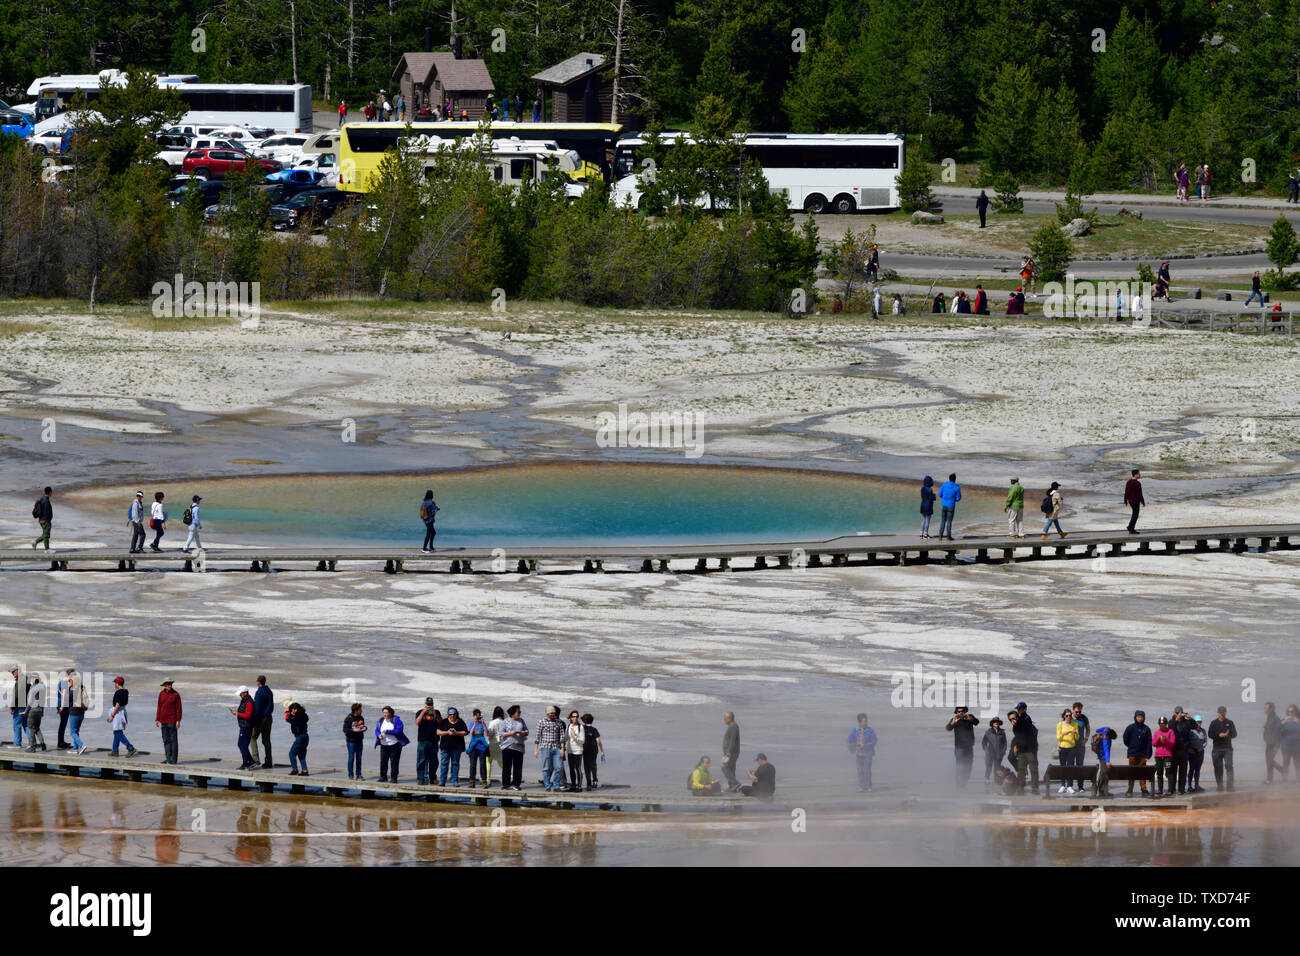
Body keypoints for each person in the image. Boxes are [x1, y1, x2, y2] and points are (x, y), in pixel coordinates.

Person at [945, 705, 980, 788]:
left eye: (962, 711)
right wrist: (953, 723)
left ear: (965, 711)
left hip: (969, 747)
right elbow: (948, 728)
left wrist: (969, 719)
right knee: (960, 766)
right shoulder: (954, 719)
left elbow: (977, 722)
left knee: (968, 767)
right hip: (959, 747)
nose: (961, 713)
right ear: (956, 712)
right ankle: (958, 785)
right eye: (959, 711)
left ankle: (964, 784)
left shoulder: (970, 717)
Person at [534, 705, 566, 791]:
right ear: (548, 713)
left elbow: (562, 737)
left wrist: (562, 749)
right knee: (546, 768)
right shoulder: (542, 722)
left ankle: (556, 785)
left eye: (554, 713)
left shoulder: (558, 722)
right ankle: (547, 786)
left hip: (557, 748)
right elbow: (537, 736)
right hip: (545, 748)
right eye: (551, 713)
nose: (553, 714)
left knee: (559, 767)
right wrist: (536, 750)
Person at [1122, 710, 1153, 797]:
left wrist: (1148, 754)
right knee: (1131, 772)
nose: (1140, 718)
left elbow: (1149, 742)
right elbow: (1125, 739)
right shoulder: (1130, 728)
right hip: (1132, 754)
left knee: (1142, 773)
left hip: (1143, 755)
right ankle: (1130, 789)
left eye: (1141, 717)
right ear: (1135, 717)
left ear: (1144, 718)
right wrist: (1131, 746)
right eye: (1138, 717)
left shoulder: (1146, 729)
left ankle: (1144, 789)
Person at [1009, 703, 1039, 793]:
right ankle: (1020, 787)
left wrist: (1017, 723)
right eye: (1018, 709)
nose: (1019, 711)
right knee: (1021, 770)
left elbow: (1025, 725)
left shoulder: (1025, 718)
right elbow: (1018, 737)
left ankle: (1035, 788)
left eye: (1020, 709)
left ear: (1025, 709)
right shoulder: (1017, 724)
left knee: (1033, 769)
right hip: (1021, 750)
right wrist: (1015, 746)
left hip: (1030, 750)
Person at [1207, 705, 1237, 791]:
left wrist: (1228, 734)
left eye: (1223, 712)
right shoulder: (1213, 723)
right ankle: (1220, 785)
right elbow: (1210, 734)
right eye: (1220, 712)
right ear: (1218, 713)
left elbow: (1235, 734)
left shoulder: (1230, 722)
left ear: (1225, 713)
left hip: (1227, 748)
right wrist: (1219, 735)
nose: (1222, 714)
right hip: (1216, 749)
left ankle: (1230, 786)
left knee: (1229, 766)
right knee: (1218, 767)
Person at [375, 705, 408, 782]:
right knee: (383, 762)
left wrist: (388, 731)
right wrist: (378, 735)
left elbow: (399, 730)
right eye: (383, 712)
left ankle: (394, 778)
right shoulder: (380, 720)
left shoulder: (396, 720)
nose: (384, 714)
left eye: (386, 712)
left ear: (390, 713)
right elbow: (377, 730)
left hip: (395, 745)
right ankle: (383, 777)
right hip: (384, 745)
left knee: (394, 762)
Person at [498, 704, 528, 790]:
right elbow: (500, 733)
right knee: (507, 767)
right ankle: (506, 784)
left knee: (518, 767)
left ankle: (516, 784)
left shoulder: (521, 720)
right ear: (513, 713)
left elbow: (527, 731)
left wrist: (523, 733)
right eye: (518, 712)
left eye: (520, 712)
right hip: (507, 746)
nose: (519, 713)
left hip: (519, 747)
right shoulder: (505, 721)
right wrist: (510, 733)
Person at [438, 706, 468, 785]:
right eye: (450, 714)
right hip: (445, 747)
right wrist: (447, 732)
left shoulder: (461, 722)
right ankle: (442, 781)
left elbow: (465, 732)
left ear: (456, 714)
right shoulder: (443, 721)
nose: (452, 716)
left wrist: (456, 733)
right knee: (444, 763)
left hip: (457, 747)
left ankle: (454, 781)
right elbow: (438, 732)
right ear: (448, 714)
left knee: (455, 763)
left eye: (454, 714)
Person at [847, 713, 877, 792]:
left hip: (868, 753)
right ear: (859, 722)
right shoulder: (856, 730)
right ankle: (861, 786)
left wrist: (866, 745)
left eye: (866, 721)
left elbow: (874, 741)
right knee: (860, 770)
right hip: (859, 753)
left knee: (867, 770)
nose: (865, 723)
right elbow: (850, 738)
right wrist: (849, 744)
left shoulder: (870, 730)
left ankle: (869, 786)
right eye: (864, 721)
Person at [154, 679, 182, 764]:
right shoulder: (161, 694)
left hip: (172, 720)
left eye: (171, 684)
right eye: (168, 684)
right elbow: (159, 706)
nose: (170, 685)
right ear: (164, 685)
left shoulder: (176, 694)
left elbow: (179, 709)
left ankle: (174, 760)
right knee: (166, 740)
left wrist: (178, 720)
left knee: (173, 741)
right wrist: (157, 719)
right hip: (163, 721)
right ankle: (168, 759)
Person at [108, 676, 136, 758]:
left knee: (117, 732)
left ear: (117, 683)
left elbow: (117, 705)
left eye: (115, 683)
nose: (115, 685)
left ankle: (130, 748)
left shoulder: (118, 692)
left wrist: (112, 715)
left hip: (118, 713)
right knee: (117, 731)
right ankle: (115, 751)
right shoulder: (126, 691)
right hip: (123, 711)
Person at [250, 675, 274, 770]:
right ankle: (268, 761)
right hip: (269, 718)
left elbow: (257, 708)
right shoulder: (269, 691)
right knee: (266, 740)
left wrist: (254, 720)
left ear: (258, 682)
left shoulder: (259, 692)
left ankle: (256, 760)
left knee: (252, 737)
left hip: (261, 718)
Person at [414, 699, 440, 784]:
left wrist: (435, 714)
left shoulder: (436, 712)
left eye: (431, 704)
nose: (429, 705)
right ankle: (421, 778)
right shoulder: (419, 712)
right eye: (428, 704)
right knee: (421, 760)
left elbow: (440, 723)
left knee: (434, 761)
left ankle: (433, 777)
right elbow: (417, 723)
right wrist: (423, 712)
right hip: (423, 740)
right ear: (425, 704)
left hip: (434, 740)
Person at [229, 686, 255, 769]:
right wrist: (236, 713)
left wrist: (237, 713)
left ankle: (245, 763)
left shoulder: (249, 702)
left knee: (242, 745)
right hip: (244, 726)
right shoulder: (244, 700)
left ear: (245, 693)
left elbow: (248, 715)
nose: (240, 695)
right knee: (242, 745)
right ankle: (251, 761)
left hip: (246, 727)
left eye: (241, 694)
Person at [1055, 709, 1080, 792]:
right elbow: (1058, 737)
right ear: (1064, 716)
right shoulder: (1060, 724)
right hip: (1062, 748)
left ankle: (1070, 786)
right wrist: (1065, 733)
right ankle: (1062, 785)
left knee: (1070, 766)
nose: (1069, 717)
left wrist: (1075, 733)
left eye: (1070, 715)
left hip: (1072, 748)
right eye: (1067, 715)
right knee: (1063, 766)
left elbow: (1077, 738)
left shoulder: (1074, 724)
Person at [466, 709, 490, 787]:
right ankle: (472, 781)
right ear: (473, 716)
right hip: (473, 746)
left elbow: (487, 733)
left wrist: (483, 724)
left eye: (479, 715)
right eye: (476, 716)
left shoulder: (482, 724)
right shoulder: (472, 723)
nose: (477, 717)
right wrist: (475, 724)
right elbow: (471, 732)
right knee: (473, 764)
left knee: (483, 764)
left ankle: (484, 781)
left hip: (482, 746)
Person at [66, 669, 88, 755]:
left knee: (73, 732)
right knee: (76, 731)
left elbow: (67, 701)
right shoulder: (81, 688)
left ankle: (81, 745)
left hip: (74, 713)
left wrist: (67, 688)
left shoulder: (72, 692)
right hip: (81, 713)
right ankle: (75, 749)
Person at [1169, 707, 1191, 794]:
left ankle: (1181, 789)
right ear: (1174, 713)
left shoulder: (1186, 722)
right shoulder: (1171, 721)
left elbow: (1194, 726)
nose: (1179, 714)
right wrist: (1176, 720)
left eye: (1181, 713)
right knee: (1173, 771)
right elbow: (1170, 729)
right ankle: (1172, 789)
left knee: (1183, 771)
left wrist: (1190, 719)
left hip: (1184, 750)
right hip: (1174, 750)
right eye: (1178, 713)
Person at [1152, 716, 1175, 797]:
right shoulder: (1156, 732)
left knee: (1169, 773)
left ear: (1166, 724)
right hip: (1158, 756)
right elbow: (1154, 744)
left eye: (1163, 725)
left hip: (1168, 755)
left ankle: (1170, 790)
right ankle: (1160, 790)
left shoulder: (1170, 732)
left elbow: (1172, 743)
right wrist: (1158, 739)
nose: (1162, 726)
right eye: (1160, 725)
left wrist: (1165, 740)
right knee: (1159, 773)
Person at [1092, 725, 1118, 795]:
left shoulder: (1104, 734)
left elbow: (1097, 730)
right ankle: (1102, 791)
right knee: (1104, 774)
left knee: (1104, 773)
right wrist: (1107, 761)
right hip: (1103, 757)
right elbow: (1106, 751)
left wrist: (1105, 728)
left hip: (1101, 756)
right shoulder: (1106, 739)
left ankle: (1103, 791)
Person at [285, 701, 310, 775]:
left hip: (300, 737)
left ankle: (295, 770)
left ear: (297, 709)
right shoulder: (304, 715)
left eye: (294, 709)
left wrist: (287, 711)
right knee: (301, 755)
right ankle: (305, 771)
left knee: (291, 754)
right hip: (306, 737)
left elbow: (288, 719)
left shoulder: (297, 717)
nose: (293, 710)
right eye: (292, 709)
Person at [343, 702, 367, 780]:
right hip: (351, 741)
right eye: (360, 709)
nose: (361, 711)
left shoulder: (361, 718)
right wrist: (353, 730)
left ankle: (359, 775)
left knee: (359, 758)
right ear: (356, 710)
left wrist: (365, 728)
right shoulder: (349, 718)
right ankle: (350, 775)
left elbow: (362, 727)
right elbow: (345, 729)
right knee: (351, 758)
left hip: (360, 740)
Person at [981, 717, 1007, 786]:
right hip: (989, 754)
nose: (996, 722)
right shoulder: (988, 732)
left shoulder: (1002, 732)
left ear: (999, 723)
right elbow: (984, 743)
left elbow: (1005, 744)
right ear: (992, 723)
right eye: (995, 721)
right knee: (988, 768)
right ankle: (986, 780)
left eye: (997, 721)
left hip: (999, 754)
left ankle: (996, 782)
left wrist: (1003, 752)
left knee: (997, 769)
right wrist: (986, 751)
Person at [565, 710, 586, 791]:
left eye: (577, 716)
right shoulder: (568, 726)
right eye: (573, 716)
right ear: (570, 718)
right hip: (570, 750)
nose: (575, 718)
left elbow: (582, 741)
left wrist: (574, 736)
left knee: (578, 768)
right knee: (571, 769)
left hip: (578, 750)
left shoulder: (580, 727)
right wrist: (561, 742)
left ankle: (579, 786)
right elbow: (566, 737)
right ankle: (573, 785)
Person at [581, 713, 604, 788]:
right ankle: (595, 780)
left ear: (583, 721)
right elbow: (598, 741)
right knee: (593, 764)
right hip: (594, 749)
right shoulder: (594, 729)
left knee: (586, 766)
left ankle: (588, 783)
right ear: (592, 721)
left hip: (584, 750)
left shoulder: (581, 728)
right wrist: (602, 751)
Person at [1264, 701, 1284, 782]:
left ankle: (1283, 770)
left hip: (1274, 744)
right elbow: (1268, 729)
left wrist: (1277, 746)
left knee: (1270, 761)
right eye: (1264, 708)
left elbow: (1279, 733)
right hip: (1268, 742)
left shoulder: (1276, 718)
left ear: (1271, 709)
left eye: (1266, 708)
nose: (1264, 710)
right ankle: (1270, 779)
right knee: (1268, 761)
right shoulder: (1269, 717)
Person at [24, 675, 45, 752]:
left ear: (34, 679)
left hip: (33, 710)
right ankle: (42, 743)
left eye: (32, 678)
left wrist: (26, 711)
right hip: (40, 710)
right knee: (37, 728)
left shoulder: (33, 688)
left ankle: (33, 747)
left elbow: (29, 702)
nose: (31, 680)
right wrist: (42, 711)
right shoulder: (42, 687)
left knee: (31, 728)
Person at [486, 705, 505, 787]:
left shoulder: (492, 722)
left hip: (492, 744)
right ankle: (510, 776)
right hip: (501, 744)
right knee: (501, 762)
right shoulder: (504, 722)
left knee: (488, 761)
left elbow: (490, 734)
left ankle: (488, 780)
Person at [938, 473, 961, 541]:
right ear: (955, 479)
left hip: (944, 504)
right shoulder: (956, 487)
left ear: (949, 478)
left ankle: (940, 536)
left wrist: (944, 498)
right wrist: (953, 500)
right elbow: (958, 498)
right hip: (951, 505)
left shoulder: (944, 485)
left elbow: (939, 494)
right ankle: (948, 536)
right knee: (949, 521)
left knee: (943, 520)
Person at [1187, 715, 1207, 791]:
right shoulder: (1191, 730)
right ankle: (1189, 786)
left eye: (1200, 722)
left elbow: (1205, 741)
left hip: (1201, 752)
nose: (1199, 723)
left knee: (1198, 769)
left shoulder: (1203, 731)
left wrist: (1201, 748)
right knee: (1192, 769)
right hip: (1192, 752)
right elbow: (1188, 741)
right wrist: (1195, 746)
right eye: (1197, 722)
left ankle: (1196, 785)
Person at [1070, 702, 1091, 778]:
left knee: (1080, 765)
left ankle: (1080, 786)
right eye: (1076, 712)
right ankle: (1070, 785)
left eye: (1080, 711)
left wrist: (1086, 739)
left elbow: (1088, 729)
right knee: (1070, 765)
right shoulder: (1069, 717)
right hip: (1070, 745)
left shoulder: (1084, 718)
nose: (1078, 713)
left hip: (1081, 745)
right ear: (1073, 710)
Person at [1279, 705, 1300, 780]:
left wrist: (1298, 722)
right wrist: (1284, 721)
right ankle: (1284, 778)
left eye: (1292, 711)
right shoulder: (1284, 720)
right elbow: (1277, 729)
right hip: (1286, 746)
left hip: (1297, 746)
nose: (1290, 713)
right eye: (1288, 711)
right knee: (1286, 762)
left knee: (1297, 763)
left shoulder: (1298, 720)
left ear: (1296, 712)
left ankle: (1298, 778)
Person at [721, 711, 740, 791]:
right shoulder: (732, 726)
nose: (724, 720)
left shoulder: (733, 726)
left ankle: (735, 783)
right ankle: (732, 787)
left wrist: (729, 752)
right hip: (732, 752)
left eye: (725, 719)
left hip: (731, 752)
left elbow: (732, 740)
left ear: (729, 718)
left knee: (725, 767)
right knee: (731, 769)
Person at [1124, 469, 1146, 534]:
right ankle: (1131, 528)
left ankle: (1130, 527)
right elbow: (1140, 494)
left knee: (1134, 514)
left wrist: (1125, 501)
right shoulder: (1137, 483)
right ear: (1135, 475)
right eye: (1139, 474)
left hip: (1130, 501)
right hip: (1136, 501)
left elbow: (1126, 492)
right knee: (1135, 515)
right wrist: (1143, 502)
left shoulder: (1128, 482)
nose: (1140, 475)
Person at [8, 665, 25, 746]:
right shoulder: (24, 678)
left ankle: (17, 744)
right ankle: (32, 743)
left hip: (19, 706)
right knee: (25, 725)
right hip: (24, 705)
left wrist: (12, 706)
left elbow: (17, 694)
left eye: (13, 671)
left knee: (16, 724)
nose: (12, 674)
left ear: (18, 670)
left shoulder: (21, 680)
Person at [32, 486, 52, 550]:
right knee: (46, 535)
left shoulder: (42, 499)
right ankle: (47, 549)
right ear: (50, 492)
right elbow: (46, 512)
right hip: (45, 520)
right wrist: (48, 520)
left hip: (41, 520)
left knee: (45, 534)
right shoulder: (46, 500)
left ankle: (35, 542)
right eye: (51, 492)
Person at [55, 670, 70, 749]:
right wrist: (62, 706)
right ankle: (60, 743)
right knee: (62, 725)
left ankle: (61, 742)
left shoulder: (61, 682)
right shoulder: (64, 682)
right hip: (63, 706)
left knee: (62, 725)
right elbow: (64, 695)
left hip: (60, 705)